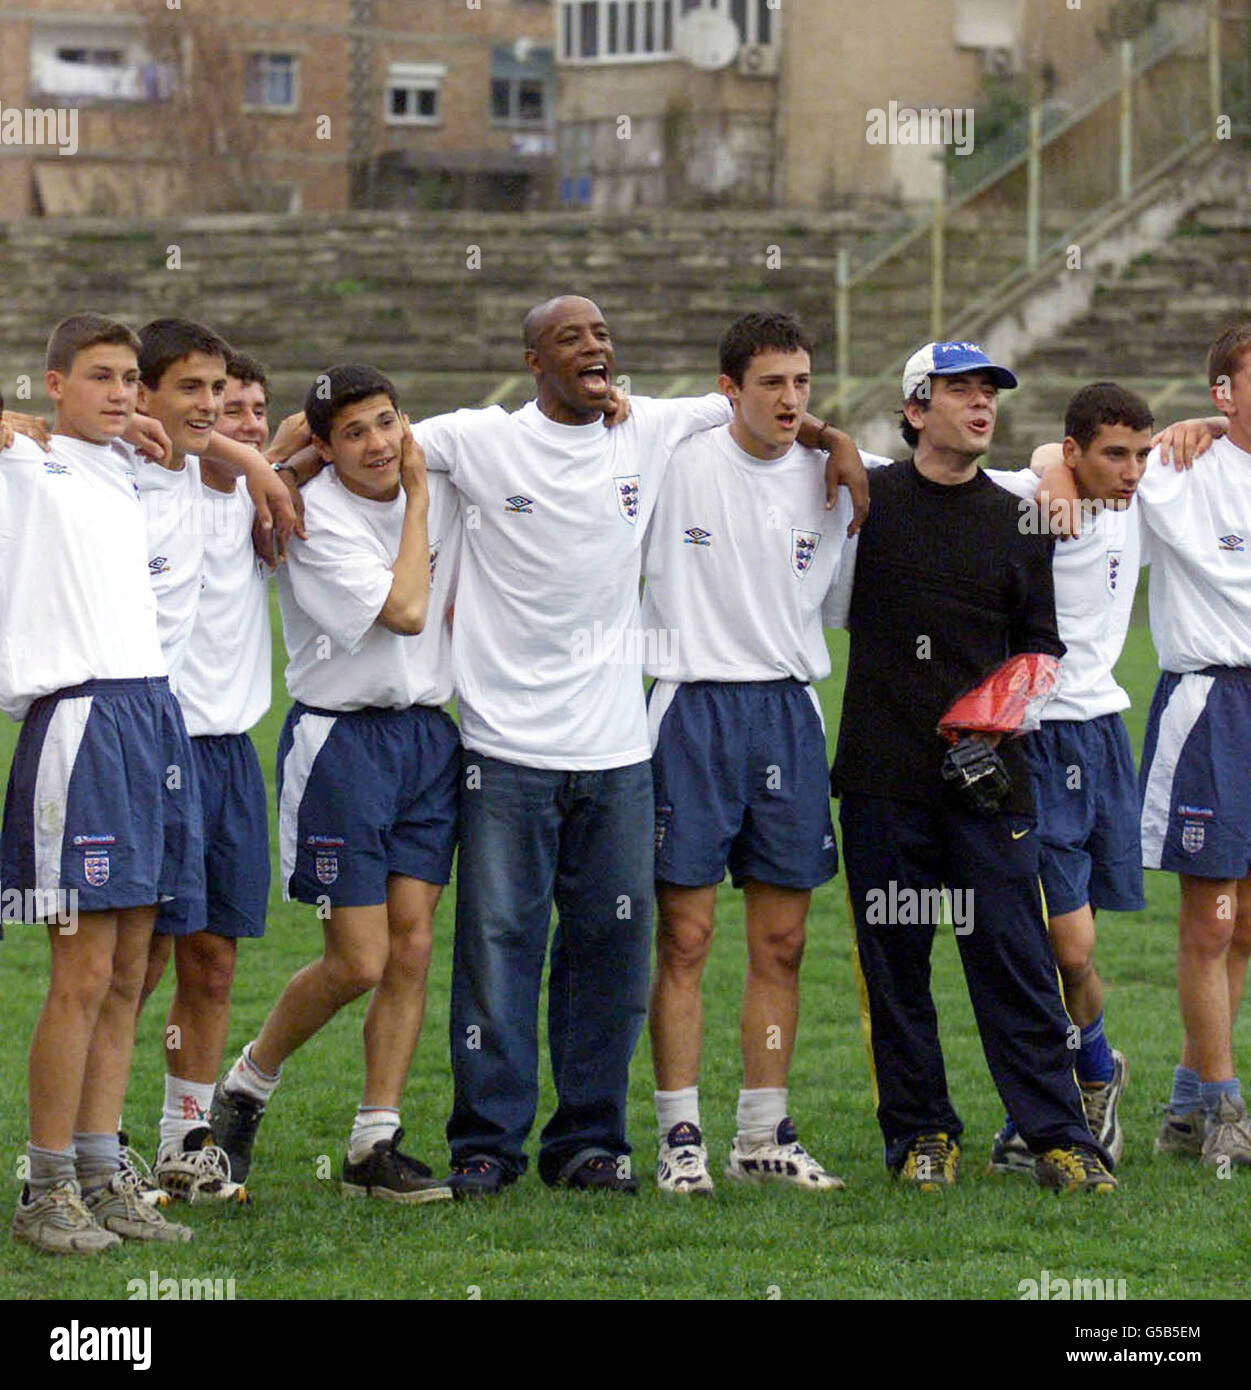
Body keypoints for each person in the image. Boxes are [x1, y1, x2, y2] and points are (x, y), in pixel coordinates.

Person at [406, 294, 864, 1195]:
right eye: (570, 337)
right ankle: (487, 1147)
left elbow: (765, 402)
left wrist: (831, 436)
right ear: (533, 359)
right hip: (503, 747)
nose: (594, 346)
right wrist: (261, 463)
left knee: (608, 953)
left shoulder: (649, 425)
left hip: (617, 750)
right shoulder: (478, 438)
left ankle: (589, 1142)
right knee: (498, 948)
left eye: (603, 333)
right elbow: (368, 438)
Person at [830, 340, 1116, 1194]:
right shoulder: (869, 498)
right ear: (915, 409)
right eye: (959, 391)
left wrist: (983, 729)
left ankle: (1057, 1138)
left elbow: (1039, 647)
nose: (981, 404)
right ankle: (922, 1135)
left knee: (1016, 963)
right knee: (896, 966)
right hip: (883, 781)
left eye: (989, 392)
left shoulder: (1019, 516)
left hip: (990, 786)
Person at [641, 311, 877, 1194]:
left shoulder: (835, 479)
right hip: (691, 710)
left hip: (787, 713)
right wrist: (832, 431)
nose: (790, 399)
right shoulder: (676, 455)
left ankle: (761, 1132)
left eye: (802, 384)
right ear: (727, 388)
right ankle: (679, 1136)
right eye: (770, 382)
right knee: (687, 937)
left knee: (781, 941)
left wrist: (834, 442)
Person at [210, 365, 458, 1203]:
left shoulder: (434, 473)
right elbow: (406, 612)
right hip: (342, 746)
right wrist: (419, 504)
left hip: (427, 738)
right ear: (325, 446)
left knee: (414, 945)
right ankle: (247, 1082)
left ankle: (372, 1143)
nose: (378, 444)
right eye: (353, 433)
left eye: (387, 423)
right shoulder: (310, 514)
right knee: (357, 960)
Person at [2, 314, 202, 1251]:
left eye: (130, 378)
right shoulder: (21, 464)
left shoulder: (121, 465)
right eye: (99, 378)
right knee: (80, 972)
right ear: (52, 384)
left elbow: (238, 448)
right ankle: (43, 1191)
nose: (122, 392)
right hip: (77, 722)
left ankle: (97, 1168)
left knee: (130, 970)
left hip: (149, 714)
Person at [982, 382, 1154, 1174]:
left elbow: (1197, 441)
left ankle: (1082, 1081)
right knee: (1056, 939)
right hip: (1029, 738)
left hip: (1099, 738)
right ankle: (1081, 1079)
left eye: (1141, 454)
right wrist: (1051, 468)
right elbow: (1028, 463)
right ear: (1075, 448)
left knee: (1071, 948)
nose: (1131, 471)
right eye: (1113, 454)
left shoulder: (1144, 500)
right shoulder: (1025, 495)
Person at [137, 347, 276, 1203]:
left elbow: (308, 436)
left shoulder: (264, 499)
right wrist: (254, 460)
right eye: (223, 404)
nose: (243, 419)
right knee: (136, 957)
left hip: (231, 753)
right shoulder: (165, 484)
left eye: (253, 406)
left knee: (213, 959)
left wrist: (266, 460)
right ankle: (93, 1134)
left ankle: (184, 1135)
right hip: (159, 747)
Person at [1131, 324, 1251, 1169]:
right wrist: (1181, 430)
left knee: (1246, 926)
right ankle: (1223, 1111)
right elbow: (1057, 458)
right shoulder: (1178, 471)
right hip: (1212, 704)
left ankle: (1185, 1104)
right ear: (1223, 391)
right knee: (1209, 921)